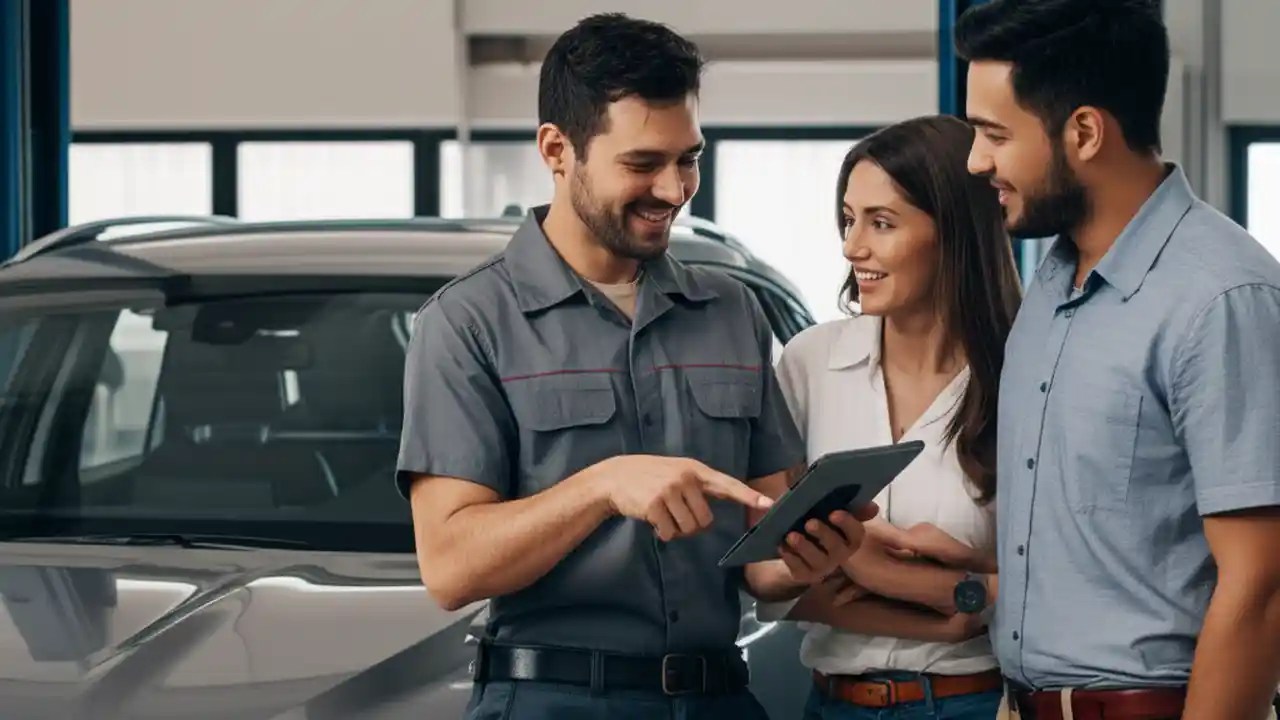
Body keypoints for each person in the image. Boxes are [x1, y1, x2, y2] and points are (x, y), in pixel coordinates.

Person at [395, 13, 871, 720]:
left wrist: (808, 551)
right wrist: (603, 486)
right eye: (643, 163)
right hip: (552, 703)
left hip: (720, 700)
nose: (676, 189)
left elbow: (763, 564)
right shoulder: (468, 324)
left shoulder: (731, 311)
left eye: (690, 158)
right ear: (558, 150)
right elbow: (451, 567)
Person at [953, 1, 1280, 718]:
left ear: (1085, 132)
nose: (977, 161)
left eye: (994, 135)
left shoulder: (1222, 296)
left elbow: (1261, 587)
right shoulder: (1049, 281)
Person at [758, 115, 1023, 720]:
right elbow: (769, 580)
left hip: (976, 705)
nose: (853, 247)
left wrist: (863, 567)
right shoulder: (811, 363)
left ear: (954, 231)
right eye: (849, 220)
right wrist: (961, 589)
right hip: (831, 705)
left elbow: (1052, 590)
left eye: (882, 223)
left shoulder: (1026, 374)